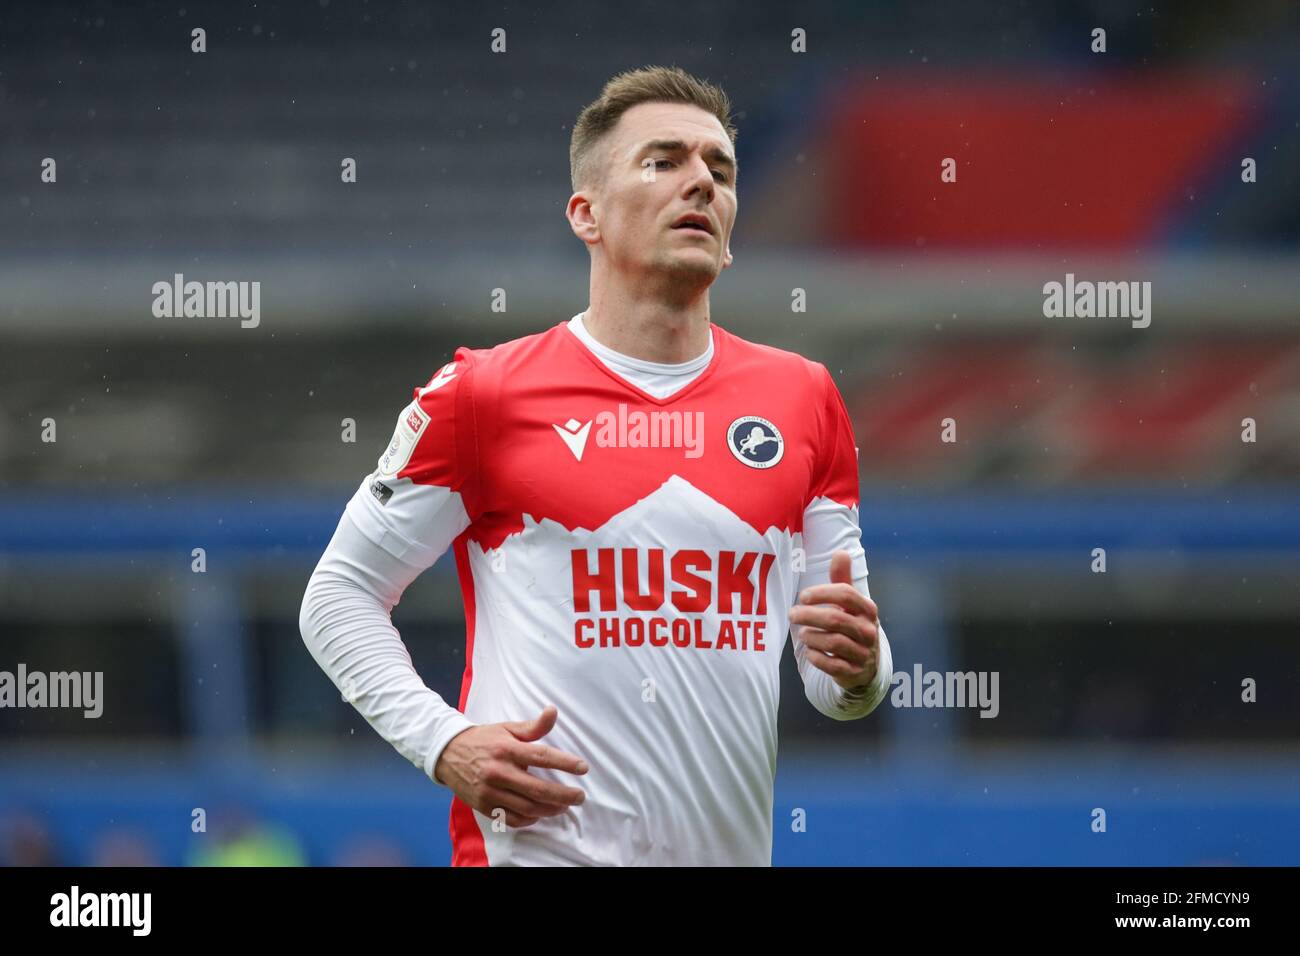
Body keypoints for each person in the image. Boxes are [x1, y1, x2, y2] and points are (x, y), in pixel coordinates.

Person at [300, 65, 893, 866]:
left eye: (720, 170)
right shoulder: (484, 393)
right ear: (587, 214)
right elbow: (339, 594)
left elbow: (837, 681)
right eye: (664, 162)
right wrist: (447, 743)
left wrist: (863, 668)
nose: (701, 184)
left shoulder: (803, 398)